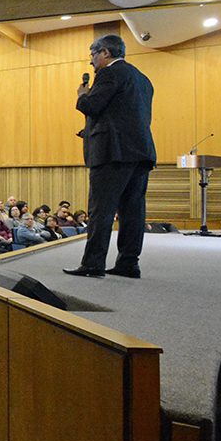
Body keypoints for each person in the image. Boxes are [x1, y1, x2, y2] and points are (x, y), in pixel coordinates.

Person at [65, 34, 155, 279]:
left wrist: (82, 94)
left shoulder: (109, 73)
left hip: (112, 153)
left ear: (105, 52)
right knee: (133, 211)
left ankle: (93, 264)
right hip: (140, 151)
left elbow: (91, 106)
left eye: (93, 55)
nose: (91, 61)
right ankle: (128, 263)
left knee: (101, 209)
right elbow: (124, 115)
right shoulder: (143, 79)